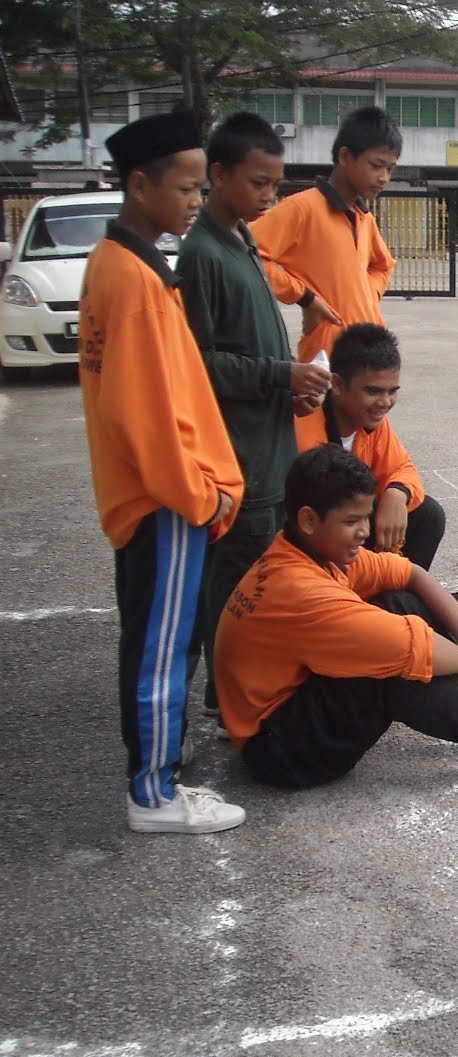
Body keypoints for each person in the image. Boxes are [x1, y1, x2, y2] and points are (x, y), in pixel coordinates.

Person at [215, 445, 458, 789]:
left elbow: (411, 574)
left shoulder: (311, 554)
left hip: (292, 711)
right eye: (351, 522)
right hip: (280, 749)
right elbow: (414, 650)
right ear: (309, 520)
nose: (363, 532)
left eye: (366, 518)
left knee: (398, 601)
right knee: (391, 669)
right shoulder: (300, 589)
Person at [79, 110, 247, 833]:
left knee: (159, 636)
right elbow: (145, 415)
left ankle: (160, 782)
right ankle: (153, 792)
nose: (193, 201)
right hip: (166, 500)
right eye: (182, 187)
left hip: (157, 494)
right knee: (162, 646)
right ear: (139, 185)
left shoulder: (123, 264)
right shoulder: (136, 283)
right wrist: (200, 497)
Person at [178, 111, 333, 731]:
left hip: (270, 446)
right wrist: (278, 377)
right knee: (231, 582)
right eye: (258, 182)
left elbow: (252, 345)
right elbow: (198, 362)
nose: (269, 195)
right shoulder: (203, 254)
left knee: (257, 574)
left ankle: (240, 683)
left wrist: (292, 389)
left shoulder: (243, 241)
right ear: (218, 175)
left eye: (277, 184)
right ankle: (226, 693)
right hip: (235, 456)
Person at [249, 105, 400, 363]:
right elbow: (248, 254)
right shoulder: (302, 209)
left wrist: (364, 295)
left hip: (367, 352)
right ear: (344, 157)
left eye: (390, 168)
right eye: (376, 165)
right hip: (326, 355)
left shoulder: (364, 217)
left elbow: (383, 265)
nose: (384, 177)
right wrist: (305, 297)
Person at [295, 323, 448, 573]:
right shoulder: (305, 431)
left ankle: (398, 598)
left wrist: (397, 493)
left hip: (345, 530)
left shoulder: (370, 421)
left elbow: (402, 467)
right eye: (373, 391)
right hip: (316, 544)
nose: (385, 402)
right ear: (337, 384)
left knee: (427, 515)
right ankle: (389, 599)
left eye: (392, 391)